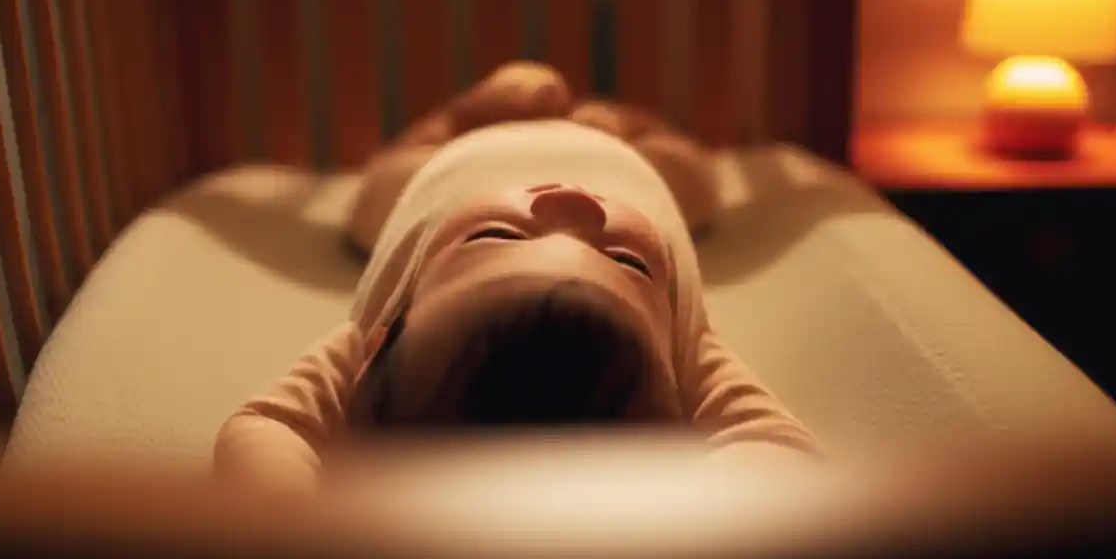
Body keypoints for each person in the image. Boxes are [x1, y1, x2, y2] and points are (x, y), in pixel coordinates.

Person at [215, 62, 818, 495]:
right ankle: (619, 123)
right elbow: (772, 451)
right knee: (693, 175)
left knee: (383, 183)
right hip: (630, 166)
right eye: (629, 264)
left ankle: (464, 117)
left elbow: (267, 428)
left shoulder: (389, 320)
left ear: (376, 350)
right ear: (676, 378)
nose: (575, 205)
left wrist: (302, 534)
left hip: (448, 169)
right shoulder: (681, 347)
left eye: (493, 238)